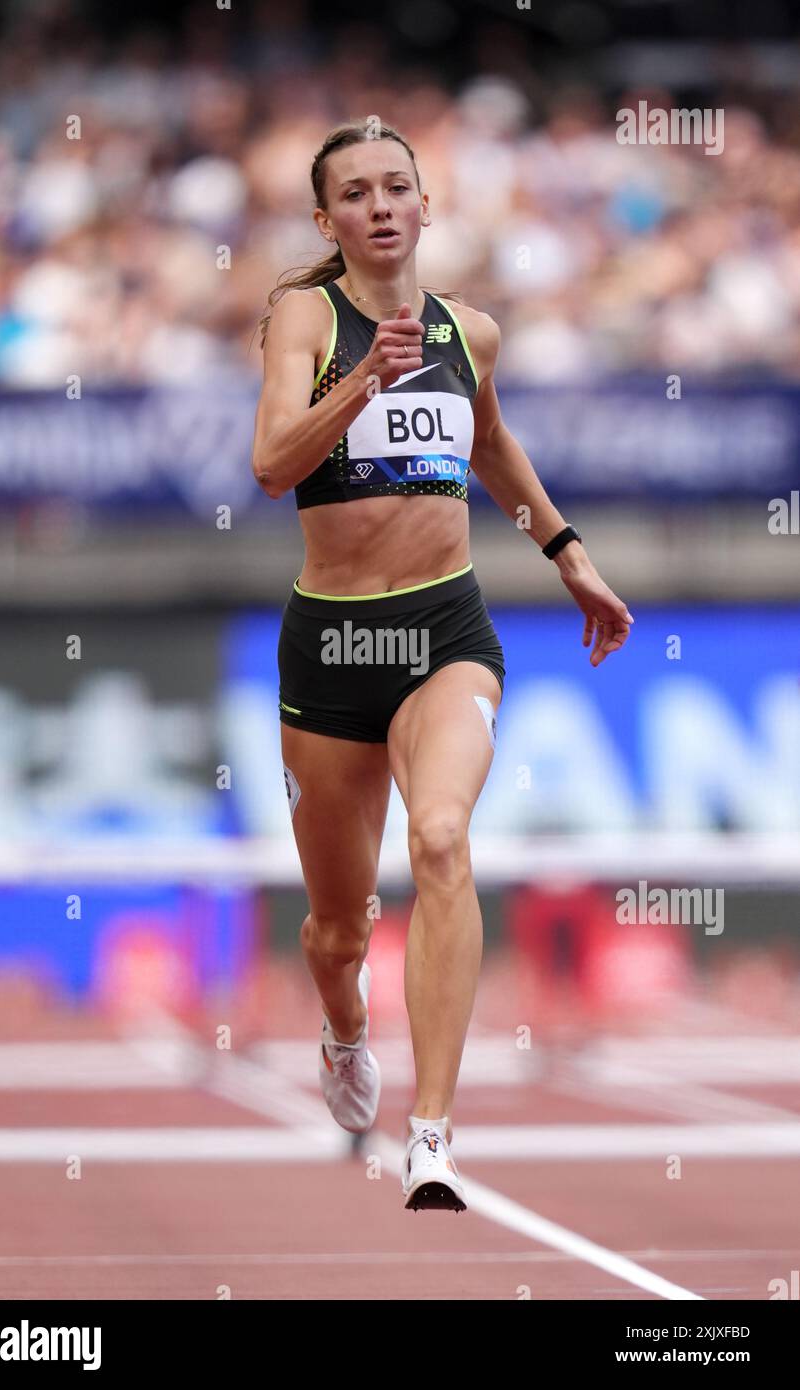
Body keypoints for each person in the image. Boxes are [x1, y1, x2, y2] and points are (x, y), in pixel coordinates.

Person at [251, 120, 633, 1212]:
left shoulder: (472, 331)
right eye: (355, 193)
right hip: (329, 645)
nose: (379, 205)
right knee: (335, 929)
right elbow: (271, 465)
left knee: (442, 840)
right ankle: (342, 1027)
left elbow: (492, 446)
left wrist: (567, 554)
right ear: (326, 222)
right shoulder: (303, 318)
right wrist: (360, 382)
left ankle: (432, 1132)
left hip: (442, 633)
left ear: (423, 206)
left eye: (396, 187)